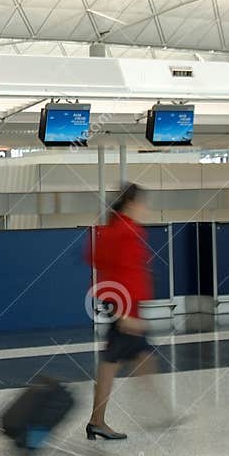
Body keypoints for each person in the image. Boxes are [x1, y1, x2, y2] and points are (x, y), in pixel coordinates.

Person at [86, 183, 168, 441]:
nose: (145, 208)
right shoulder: (130, 231)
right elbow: (132, 273)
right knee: (113, 363)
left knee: (140, 357)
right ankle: (97, 421)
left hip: (116, 303)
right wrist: (126, 313)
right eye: (142, 203)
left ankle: (159, 412)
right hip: (126, 308)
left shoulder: (110, 229)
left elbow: (93, 258)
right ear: (132, 204)